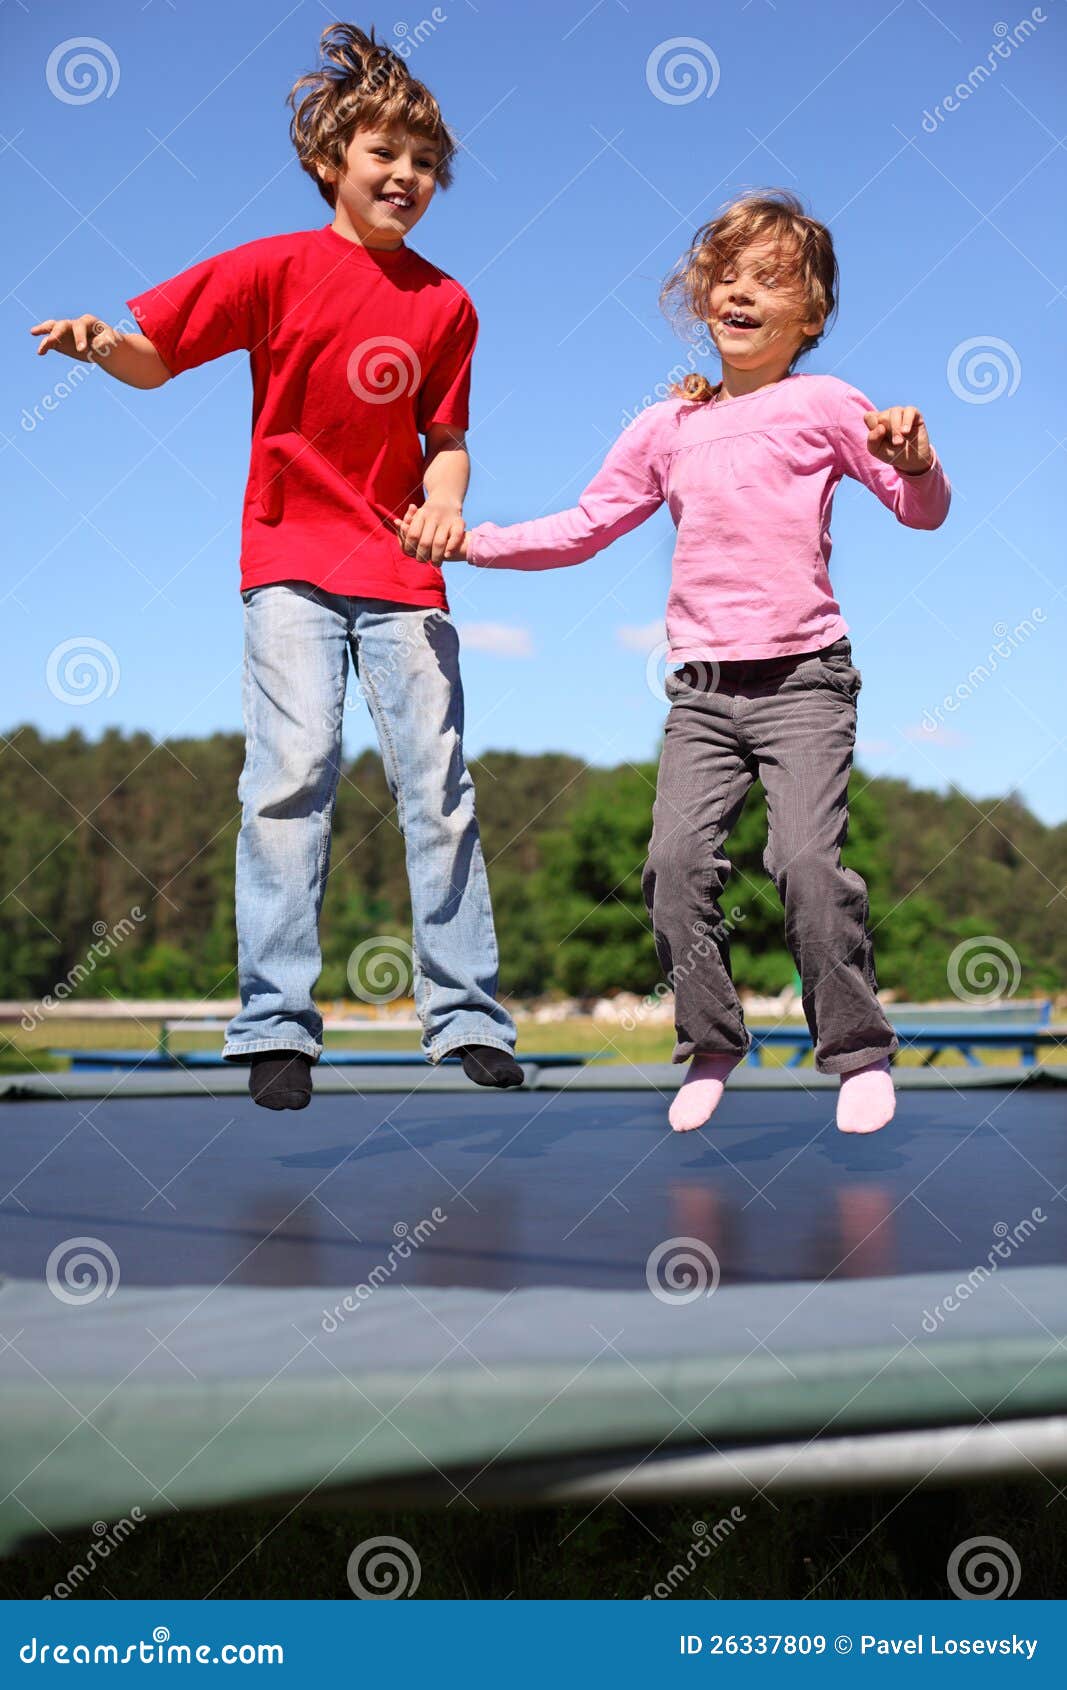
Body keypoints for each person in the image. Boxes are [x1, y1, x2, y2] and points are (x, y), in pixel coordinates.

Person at [30, 24, 523, 1109]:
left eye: (425, 163)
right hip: (290, 563)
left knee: (435, 790)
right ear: (328, 162)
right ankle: (274, 1025)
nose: (406, 177)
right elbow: (157, 357)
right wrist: (97, 342)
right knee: (289, 777)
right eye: (382, 155)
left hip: (401, 573)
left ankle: (467, 1017)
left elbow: (448, 441)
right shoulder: (273, 268)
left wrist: (444, 503)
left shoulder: (446, 305)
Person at [399, 189, 951, 1136]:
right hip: (701, 690)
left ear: (808, 317)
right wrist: (470, 542)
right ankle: (710, 1042)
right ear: (703, 300)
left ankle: (855, 1052)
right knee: (672, 862)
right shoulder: (667, 427)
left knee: (806, 864)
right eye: (726, 276)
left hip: (803, 680)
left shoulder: (823, 405)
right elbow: (584, 526)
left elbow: (920, 511)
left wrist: (916, 460)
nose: (741, 293)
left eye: (770, 280)